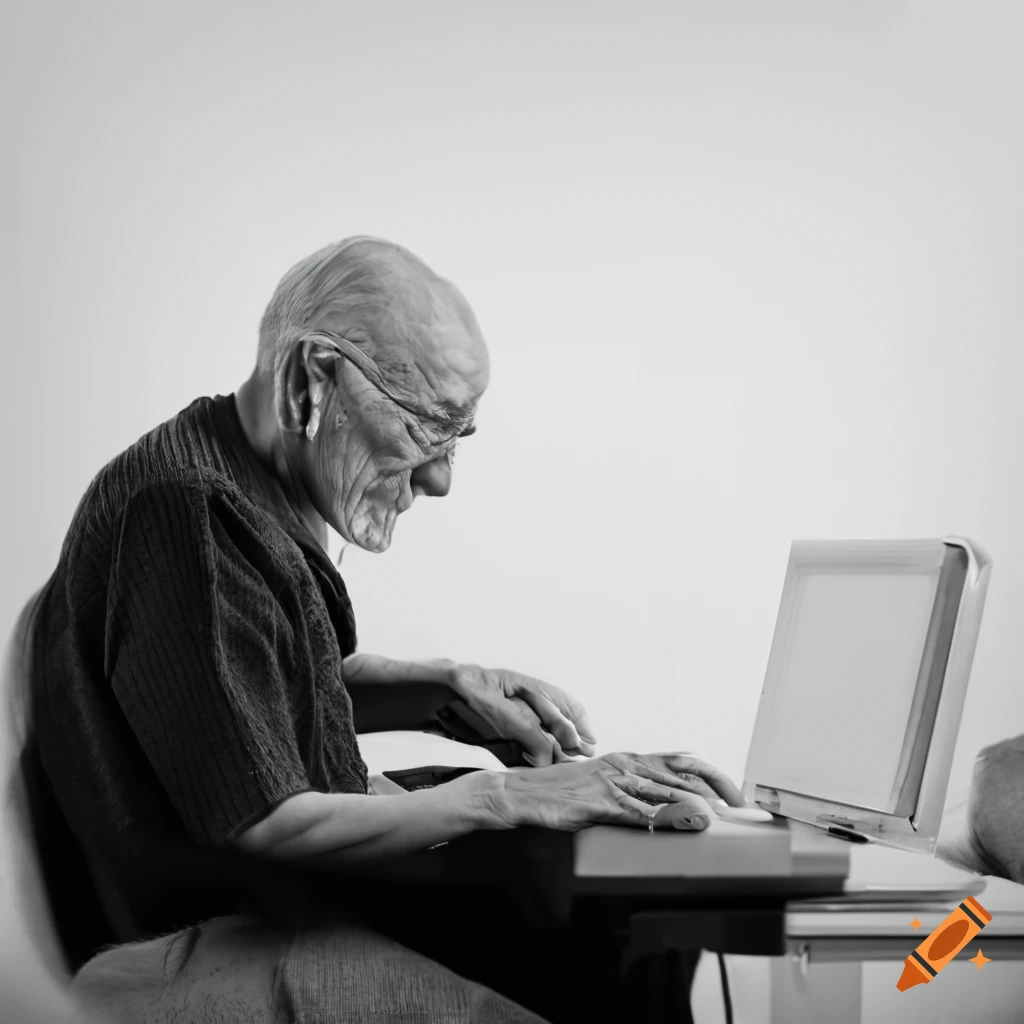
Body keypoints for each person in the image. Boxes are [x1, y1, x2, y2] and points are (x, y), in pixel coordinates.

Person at [26, 236, 743, 1024]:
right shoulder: (188, 512)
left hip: (277, 891)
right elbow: (264, 819)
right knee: (583, 918)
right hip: (222, 927)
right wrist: (506, 795)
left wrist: (442, 689)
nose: (439, 478)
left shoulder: (229, 478)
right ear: (310, 380)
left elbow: (238, 697)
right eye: (425, 429)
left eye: (455, 441)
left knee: (614, 898)